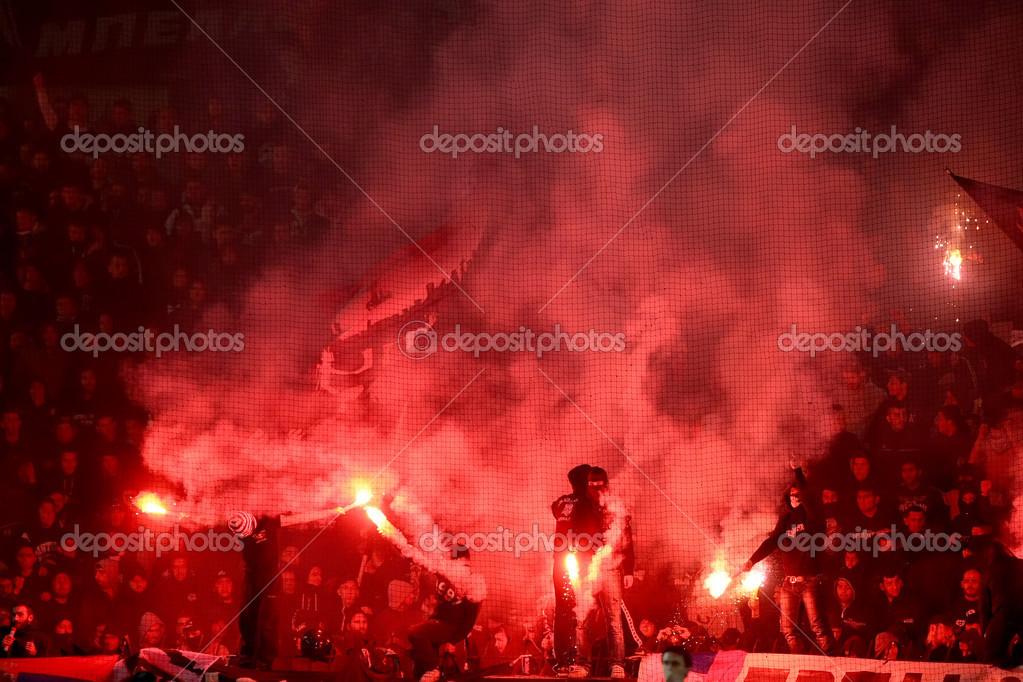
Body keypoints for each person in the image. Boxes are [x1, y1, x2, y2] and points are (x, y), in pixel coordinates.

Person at [741, 462, 835, 655]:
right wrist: (752, 560)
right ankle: (799, 665)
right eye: (792, 495)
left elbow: (808, 496)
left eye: (798, 495)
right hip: (788, 584)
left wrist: (797, 472)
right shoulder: (785, 520)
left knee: (819, 628)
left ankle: (836, 664)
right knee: (788, 631)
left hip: (810, 581)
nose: (795, 498)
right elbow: (772, 541)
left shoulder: (813, 517)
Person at [577, 467, 634, 679]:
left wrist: (629, 570)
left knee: (614, 619)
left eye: (600, 484)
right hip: (586, 568)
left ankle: (617, 664)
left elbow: (627, 540)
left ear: (606, 483)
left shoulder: (617, 506)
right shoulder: (582, 505)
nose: (596, 488)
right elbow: (573, 533)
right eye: (592, 484)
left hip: (611, 567)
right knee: (584, 619)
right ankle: (582, 664)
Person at [407, 545, 482, 682]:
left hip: (450, 626)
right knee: (419, 668)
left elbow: (469, 620)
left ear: (461, 560)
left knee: (414, 632)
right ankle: (430, 670)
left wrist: (453, 641)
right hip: (436, 622)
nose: (445, 559)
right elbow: (421, 560)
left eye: (449, 557)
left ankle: (433, 668)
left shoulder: (473, 582)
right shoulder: (445, 573)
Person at [550, 463, 592, 677]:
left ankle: (562, 661)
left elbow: (553, 508)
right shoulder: (586, 501)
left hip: (559, 561)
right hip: (578, 560)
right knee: (584, 609)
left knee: (562, 610)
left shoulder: (560, 501)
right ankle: (582, 661)